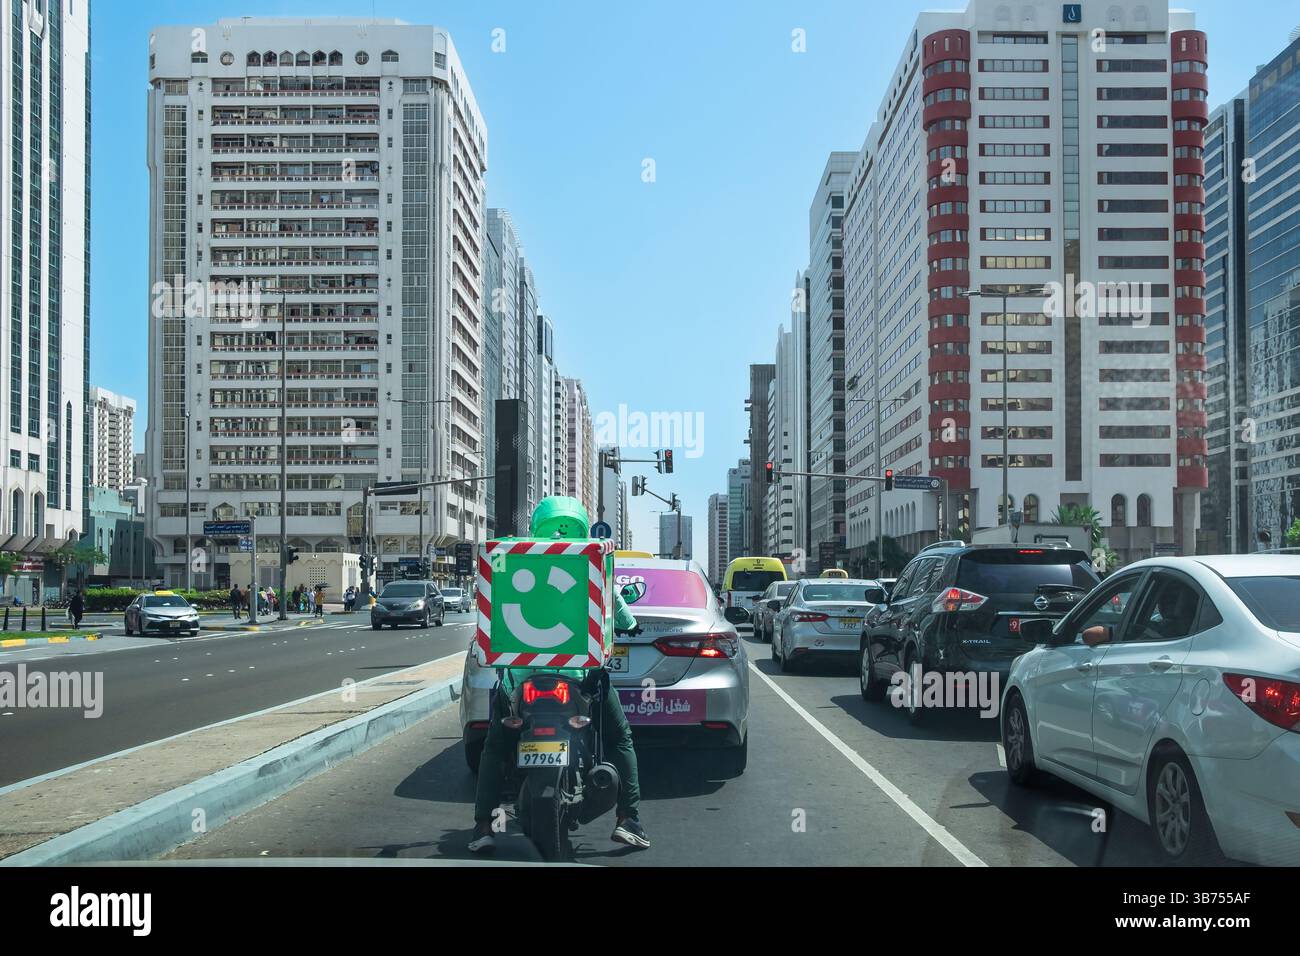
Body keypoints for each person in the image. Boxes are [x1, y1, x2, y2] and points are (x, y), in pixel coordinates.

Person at [468, 496, 649, 854]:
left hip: (521, 680)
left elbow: (485, 590)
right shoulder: (590, 561)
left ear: (538, 524)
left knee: (494, 747)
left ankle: (484, 825)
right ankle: (628, 819)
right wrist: (629, 623)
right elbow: (621, 614)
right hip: (578, 679)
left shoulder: (510, 554)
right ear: (581, 524)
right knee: (620, 738)